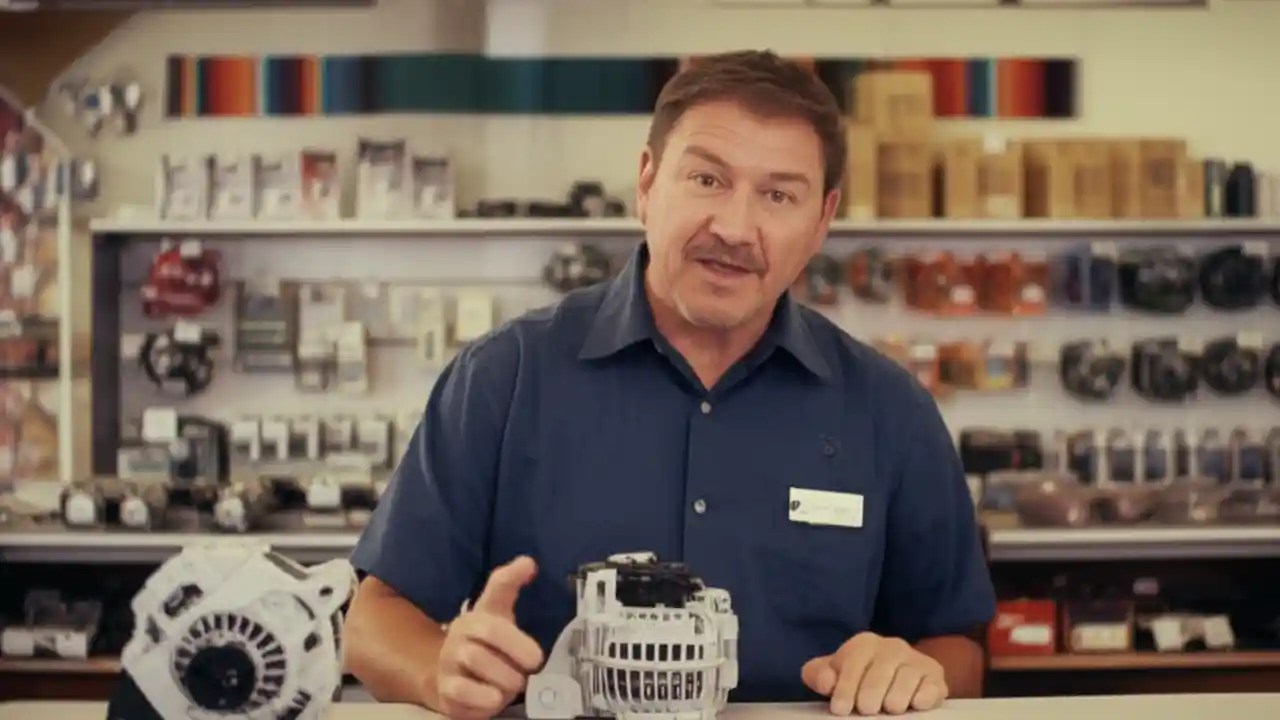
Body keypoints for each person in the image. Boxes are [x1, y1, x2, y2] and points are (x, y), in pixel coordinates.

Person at [344, 49, 996, 718]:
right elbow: (373, 619)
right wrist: (438, 670)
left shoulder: (891, 411)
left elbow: (958, 648)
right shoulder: (504, 378)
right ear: (648, 182)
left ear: (822, 220)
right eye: (708, 179)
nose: (734, 229)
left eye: (778, 195)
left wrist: (910, 672)